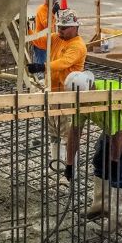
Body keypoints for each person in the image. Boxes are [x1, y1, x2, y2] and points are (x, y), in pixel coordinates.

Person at [65, 70, 122, 229]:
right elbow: (75, 132)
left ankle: (118, 219)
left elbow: (118, 135)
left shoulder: (105, 99)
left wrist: (114, 161)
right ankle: (101, 206)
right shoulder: (80, 101)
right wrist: (69, 163)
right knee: (100, 159)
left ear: (90, 90)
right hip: (116, 125)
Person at [26, 9, 87, 173]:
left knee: (69, 133)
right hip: (53, 91)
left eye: (64, 28)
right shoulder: (56, 38)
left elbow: (64, 62)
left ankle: (70, 166)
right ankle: (56, 165)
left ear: (75, 28)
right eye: (59, 27)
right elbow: (39, 42)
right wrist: (27, 30)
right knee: (53, 129)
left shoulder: (77, 45)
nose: (59, 30)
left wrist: (43, 66)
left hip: (68, 94)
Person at [30, 0, 60, 68]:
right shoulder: (42, 9)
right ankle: (39, 80)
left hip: (48, 43)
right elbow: (46, 25)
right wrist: (53, 12)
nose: (53, 0)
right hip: (41, 44)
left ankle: (44, 79)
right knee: (40, 68)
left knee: (47, 67)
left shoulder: (49, 9)